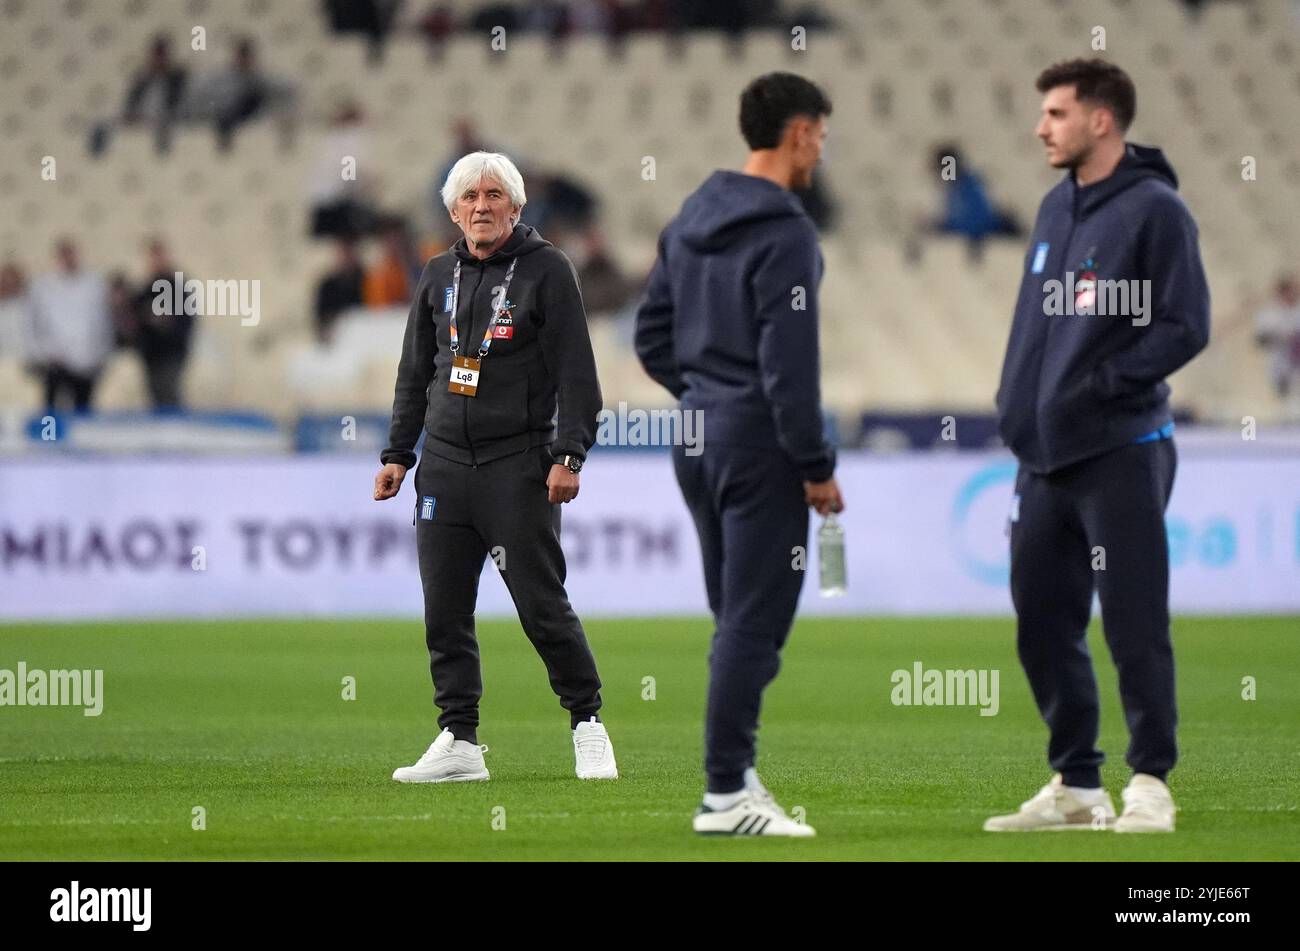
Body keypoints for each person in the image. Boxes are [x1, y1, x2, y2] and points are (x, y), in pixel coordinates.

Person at [986, 59, 1210, 834]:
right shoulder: (1055, 208)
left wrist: (1110, 381)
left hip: (1123, 446)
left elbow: (1187, 324)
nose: (1041, 127)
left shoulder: (1157, 211)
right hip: (1043, 456)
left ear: (1102, 121)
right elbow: (1034, 327)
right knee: (1041, 619)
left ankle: (1151, 781)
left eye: (1055, 113)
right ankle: (1078, 785)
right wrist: (1017, 405)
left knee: (1132, 617)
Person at [634, 72, 843, 837]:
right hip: (758, 441)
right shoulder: (786, 231)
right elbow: (791, 370)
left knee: (733, 617)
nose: (823, 148)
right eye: (820, 133)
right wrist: (816, 465)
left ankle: (738, 776)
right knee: (753, 623)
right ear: (796, 133)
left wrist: (702, 397)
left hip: (696, 436)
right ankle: (725, 794)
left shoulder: (692, 216)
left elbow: (649, 335)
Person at [374, 151, 617, 783]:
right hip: (445, 469)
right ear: (453, 211)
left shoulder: (549, 271)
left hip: (519, 465)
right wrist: (399, 453)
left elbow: (578, 377)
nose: (481, 207)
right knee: (444, 610)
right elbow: (414, 374)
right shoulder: (435, 275)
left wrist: (569, 455)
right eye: (469, 198)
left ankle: (587, 723)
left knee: (541, 604)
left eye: (493, 196)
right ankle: (459, 739)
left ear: (515, 205)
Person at [28, 239, 113, 412]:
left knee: (82, 409)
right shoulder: (44, 286)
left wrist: (101, 353)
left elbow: (102, 321)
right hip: (55, 360)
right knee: (51, 409)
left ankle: (83, 439)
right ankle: (48, 438)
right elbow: (34, 323)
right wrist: (43, 352)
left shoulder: (93, 284)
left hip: (85, 361)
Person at [131, 238, 195, 409]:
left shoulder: (178, 288)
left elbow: (185, 320)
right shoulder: (147, 288)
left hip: (172, 354)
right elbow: (136, 316)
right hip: (152, 354)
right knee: (156, 398)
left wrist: (167, 322)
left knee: (169, 396)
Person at [1252, 275, 1300, 402]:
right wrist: (1279, 336)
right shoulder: (1270, 315)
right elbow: (1260, 340)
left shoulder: (1297, 312)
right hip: (1280, 367)